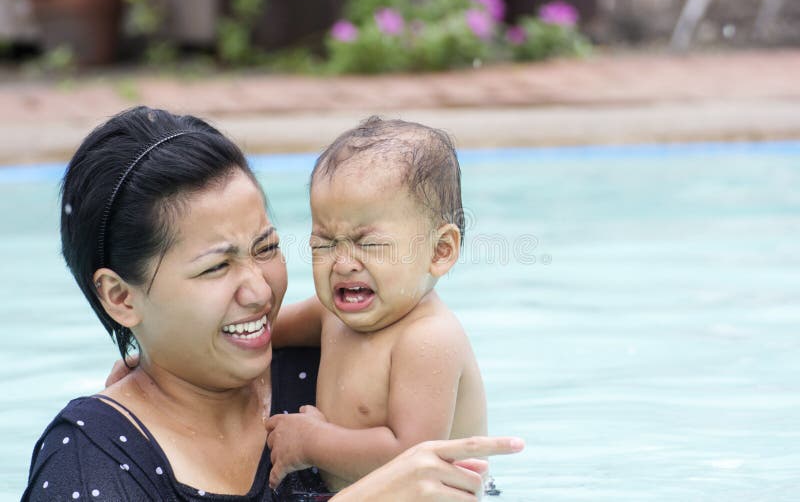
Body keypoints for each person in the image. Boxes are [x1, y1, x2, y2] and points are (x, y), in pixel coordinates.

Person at [22, 106, 523, 501]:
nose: (261, 294)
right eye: (217, 266)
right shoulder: (93, 460)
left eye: (266, 249)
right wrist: (155, 360)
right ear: (120, 298)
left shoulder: (352, 360)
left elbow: (419, 460)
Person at [266, 117, 488, 493]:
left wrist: (310, 443)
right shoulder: (331, 316)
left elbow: (413, 457)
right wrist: (169, 356)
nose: (343, 262)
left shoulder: (427, 339)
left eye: (368, 243)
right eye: (324, 243)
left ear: (440, 251)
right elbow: (259, 334)